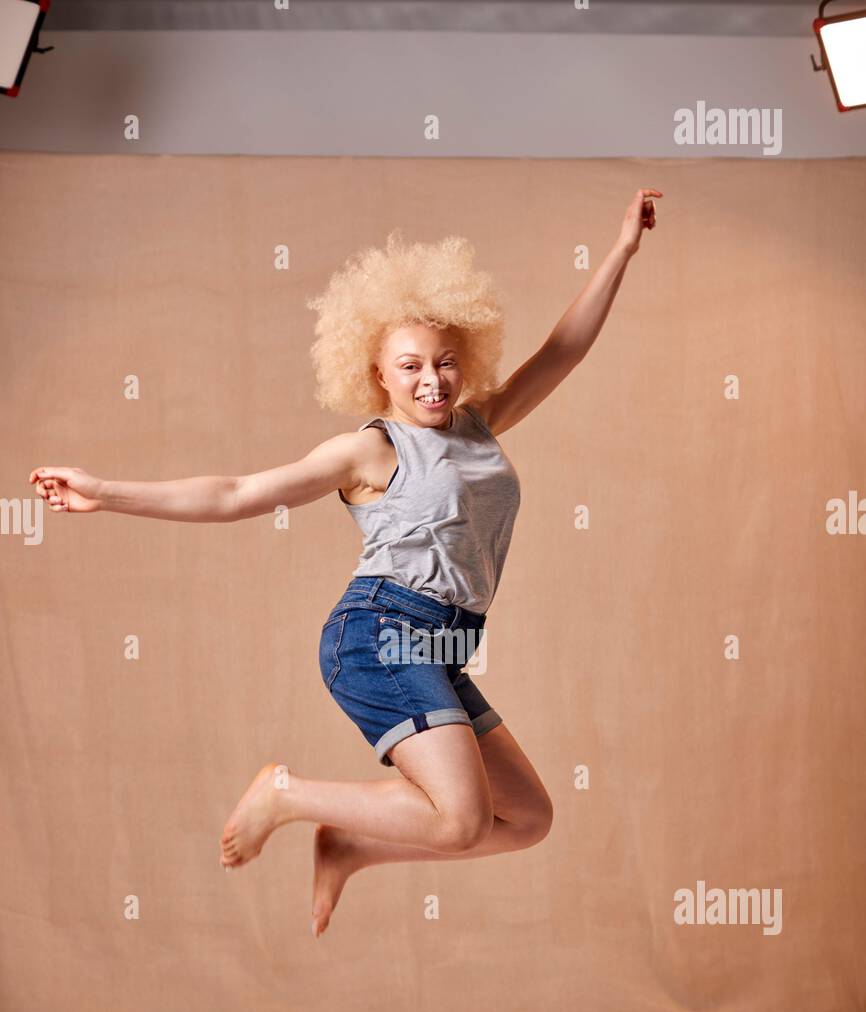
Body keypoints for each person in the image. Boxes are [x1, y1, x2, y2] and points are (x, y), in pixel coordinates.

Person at [29, 188, 661, 937]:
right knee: (459, 818)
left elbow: (563, 350)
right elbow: (237, 492)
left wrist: (620, 250)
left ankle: (354, 842)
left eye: (447, 362)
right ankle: (287, 795)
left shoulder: (479, 426)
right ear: (379, 373)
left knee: (524, 819)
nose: (433, 380)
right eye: (411, 365)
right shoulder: (371, 448)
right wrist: (106, 493)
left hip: (445, 645)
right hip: (380, 634)